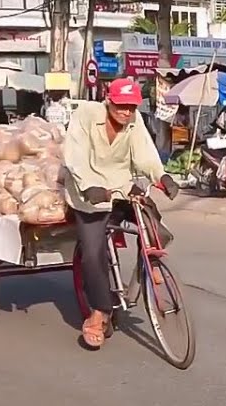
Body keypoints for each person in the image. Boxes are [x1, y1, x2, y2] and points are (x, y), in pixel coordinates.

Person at [63, 78, 177, 349]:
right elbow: (75, 154)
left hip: (120, 186)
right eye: (121, 106)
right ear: (109, 100)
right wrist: (88, 185)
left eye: (131, 107)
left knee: (152, 219)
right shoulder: (86, 115)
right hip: (88, 192)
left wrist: (162, 176)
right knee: (93, 253)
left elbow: (145, 154)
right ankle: (98, 313)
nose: (126, 112)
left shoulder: (134, 121)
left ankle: (149, 264)